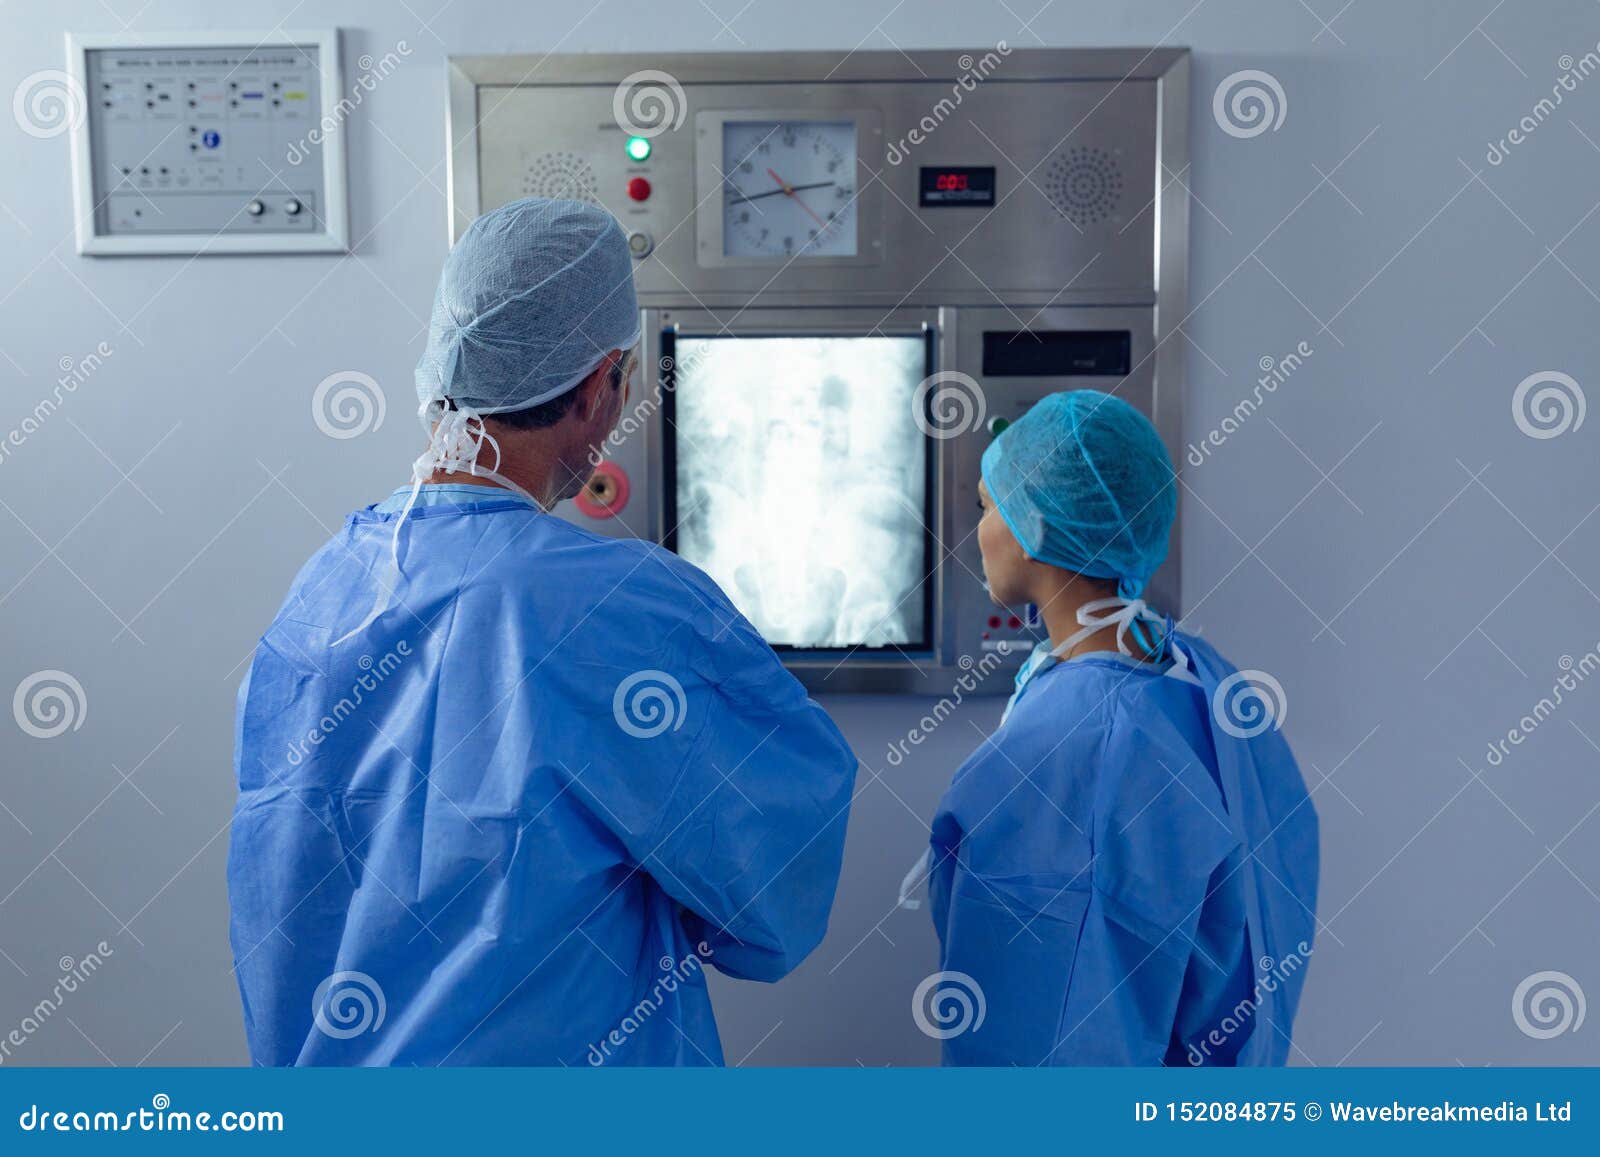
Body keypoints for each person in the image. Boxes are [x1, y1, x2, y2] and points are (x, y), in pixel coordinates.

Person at [228, 197, 858, 1066]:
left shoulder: (326, 589)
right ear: (603, 384)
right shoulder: (627, 608)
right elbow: (774, 893)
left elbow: (278, 904)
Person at [921, 389, 1319, 1066]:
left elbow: (1047, 1025)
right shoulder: (1202, 682)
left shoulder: (1070, 748)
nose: (978, 530)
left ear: (1035, 527)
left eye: (988, 507)